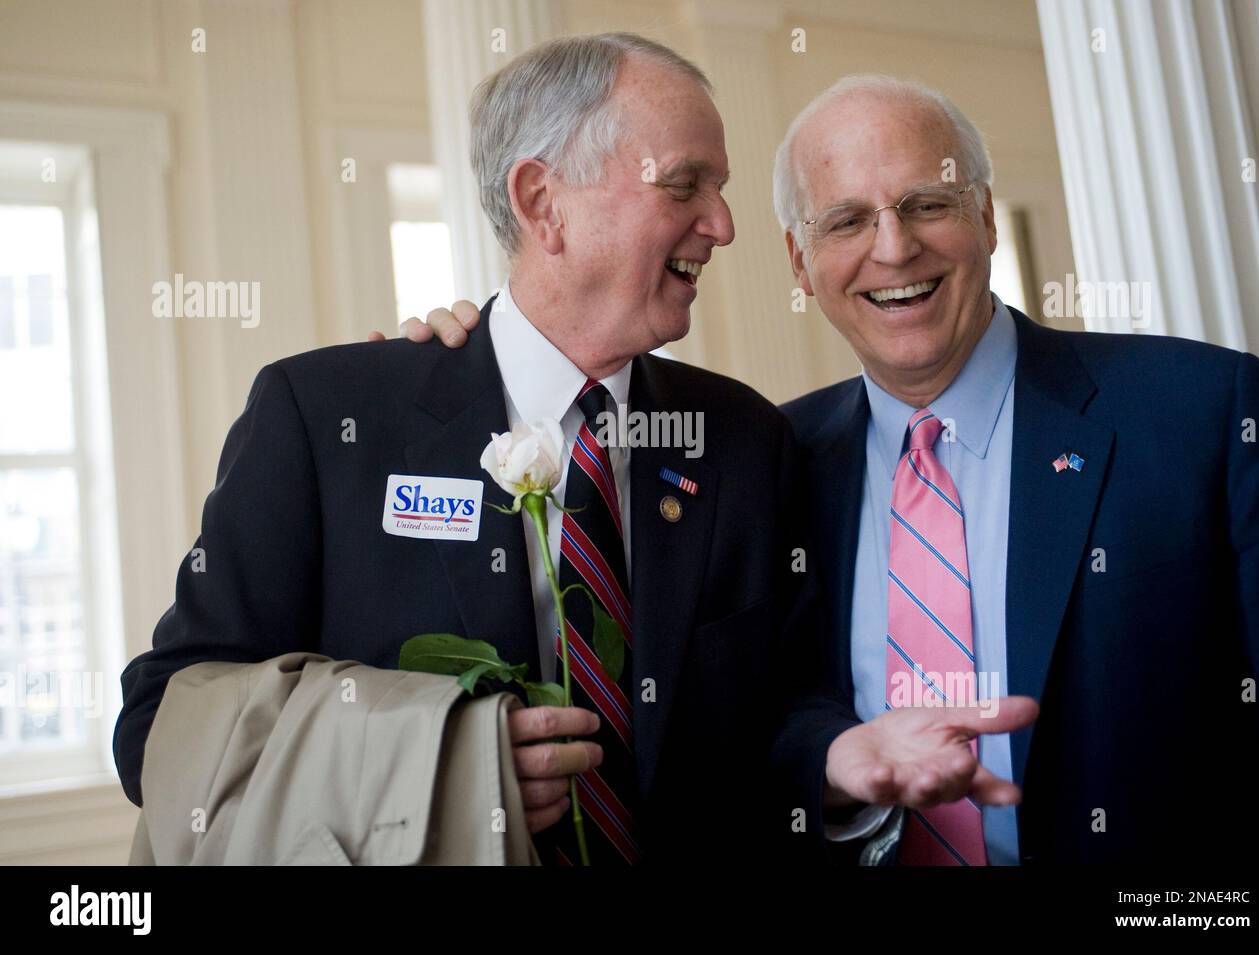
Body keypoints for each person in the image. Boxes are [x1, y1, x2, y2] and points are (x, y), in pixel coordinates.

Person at [114, 33, 1030, 867]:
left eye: (721, 188)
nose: (725, 224)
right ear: (542, 201)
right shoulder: (325, 417)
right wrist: (447, 761)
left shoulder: (747, 439)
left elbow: (782, 709)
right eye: (685, 186)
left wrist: (838, 755)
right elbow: (160, 726)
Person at [406, 73, 1259, 865]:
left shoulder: (1204, 414)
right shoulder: (763, 458)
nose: (894, 248)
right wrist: (453, 369)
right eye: (845, 221)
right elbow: (755, 717)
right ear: (801, 260)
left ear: (986, 213)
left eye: (928, 203)